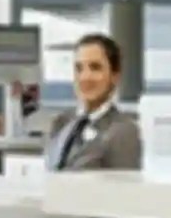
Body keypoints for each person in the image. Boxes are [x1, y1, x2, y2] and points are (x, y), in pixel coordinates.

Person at [45, 33, 142, 171]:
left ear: (115, 76)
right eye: (79, 68)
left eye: (95, 68)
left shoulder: (123, 131)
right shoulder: (61, 122)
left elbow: (123, 184)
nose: (85, 77)